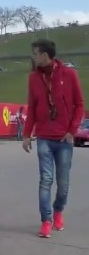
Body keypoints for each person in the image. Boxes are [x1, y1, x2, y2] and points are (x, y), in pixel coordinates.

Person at [22, 39, 84, 238]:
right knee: (45, 180)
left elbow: (79, 105)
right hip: (43, 138)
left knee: (63, 183)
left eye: (35, 53)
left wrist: (71, 131)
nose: (33, 57)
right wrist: (26, 134)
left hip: (64, 139)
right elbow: (31, 108)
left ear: (45, 55)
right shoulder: (33, 78)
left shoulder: (69, 75)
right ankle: (46, 220)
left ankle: (58, 211)